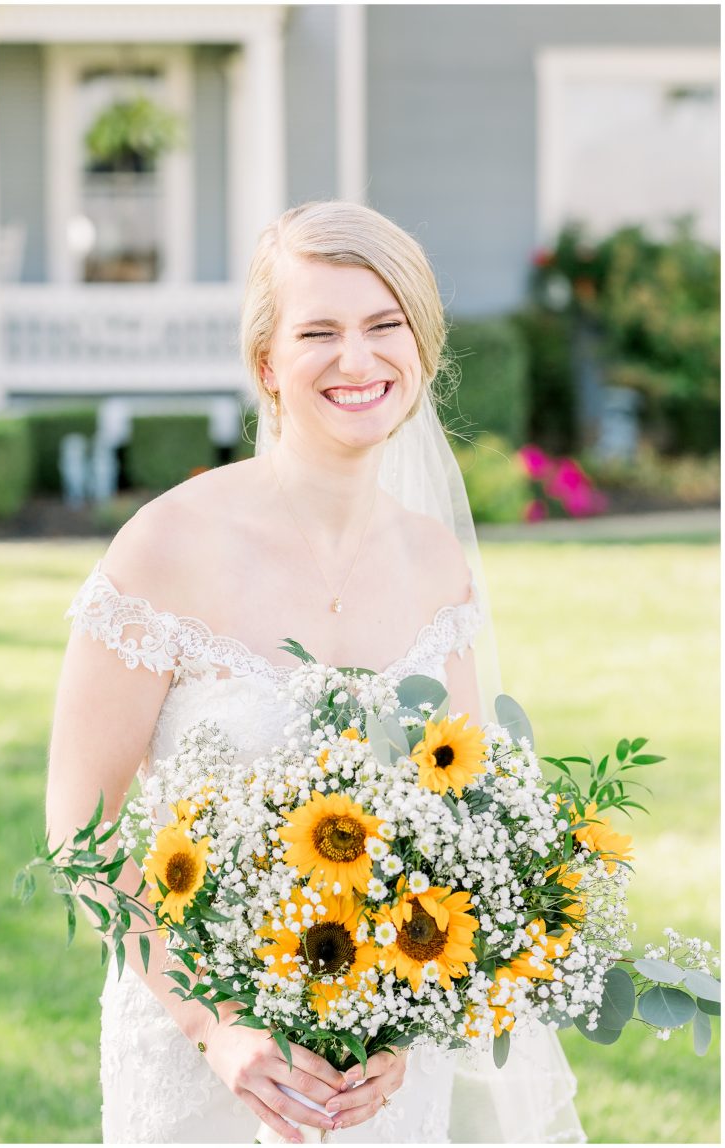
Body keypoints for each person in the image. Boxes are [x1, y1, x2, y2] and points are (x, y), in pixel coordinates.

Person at [47, 201, 584, 1144]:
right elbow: (78, 832)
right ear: (267, 364)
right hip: (201, 1058)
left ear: (420, 347)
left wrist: (410, 1025)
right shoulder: (168, 547)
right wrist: (218, 1030)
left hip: (378, 1078)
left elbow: (465, 836)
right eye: (319, 331)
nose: (358, 358)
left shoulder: (434, 566)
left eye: (385, 326)